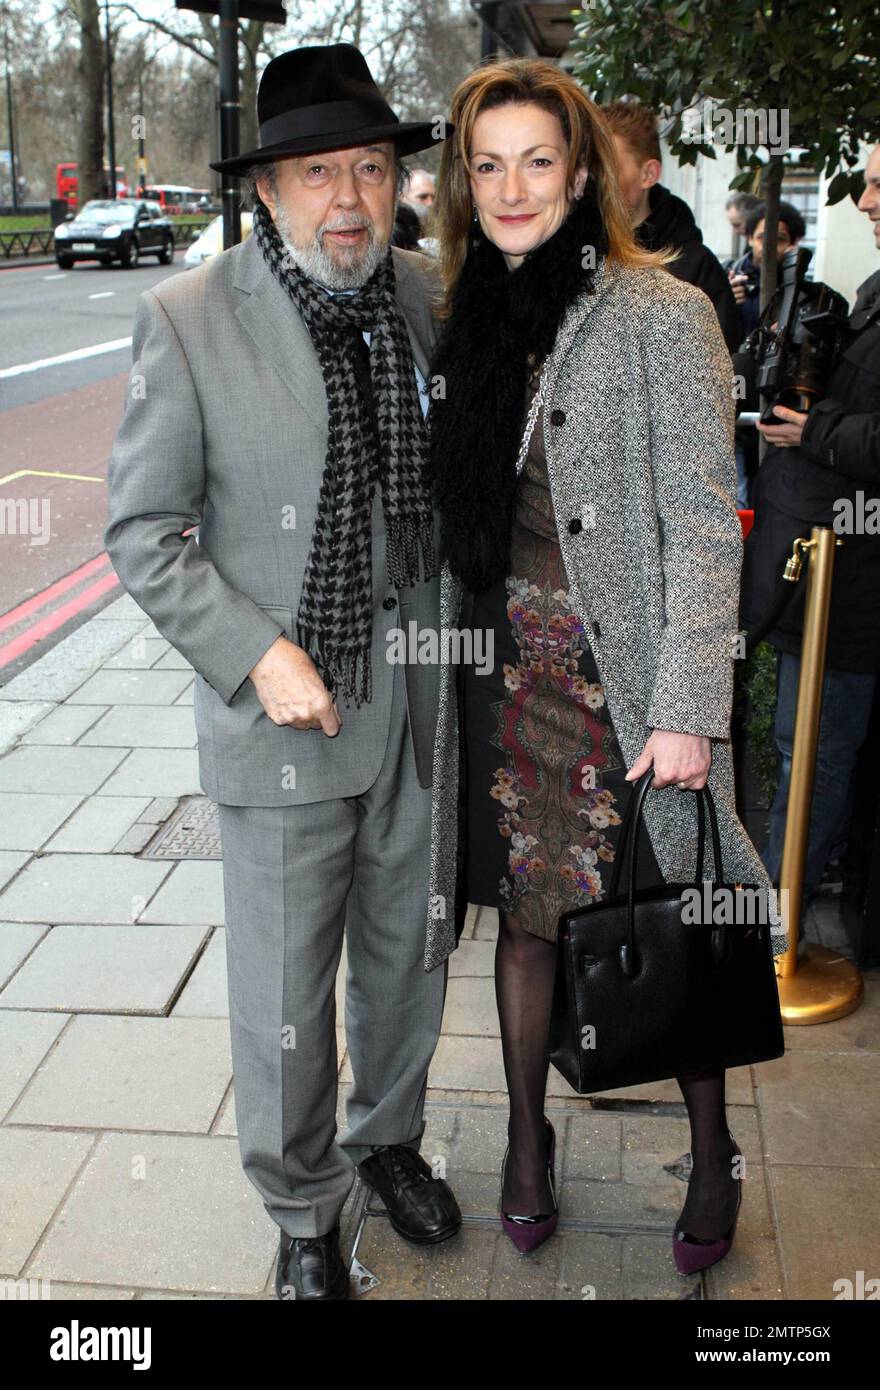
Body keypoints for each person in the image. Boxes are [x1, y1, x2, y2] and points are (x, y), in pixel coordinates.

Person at [104, 42, 461, 1302]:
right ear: (267, 190)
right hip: (285, 726)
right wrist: (256, 653)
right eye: (319, 173)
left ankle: (389, 1142)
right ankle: (304, 1211)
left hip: (421, 704)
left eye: (369, 167)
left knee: (410, 959)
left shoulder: (424, 294)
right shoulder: (189, 321)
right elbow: (141, 533)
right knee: (284, 998)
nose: (350, 197)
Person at [426, 57, 787, 1276]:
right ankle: (527, 1146)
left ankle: (711, 1152)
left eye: (536, 161)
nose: (512, 188)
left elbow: (703, 515)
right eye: (487, 166)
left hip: (627, 682)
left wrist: (690, 707)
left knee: (671, 915)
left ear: (582, 172)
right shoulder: (463, 310)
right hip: (508, 684)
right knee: (528, 927)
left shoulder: (660, 309)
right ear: (462, 186)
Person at [741, 144, 880, 941]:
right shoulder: (868, 290)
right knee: (797, 749)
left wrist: (816, 425)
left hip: (851, 592)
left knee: (816, 756)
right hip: (817, 569)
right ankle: (767, 927)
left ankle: (773, 935)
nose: (862, 201)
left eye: (875, 186)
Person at [601, 100, 741, 352]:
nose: (593, 181)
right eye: (585, 167)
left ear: (648, 174)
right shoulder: (567, 255)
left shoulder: (697, 269)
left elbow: (720, 372)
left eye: (608, 168)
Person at [729, 199, 806, 339]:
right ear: (750, 238)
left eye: (779, 239)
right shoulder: (727, 275)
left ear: (793, 243)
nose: (768, 246)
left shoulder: (799, 290)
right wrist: (723, 301)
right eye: (761, 237)